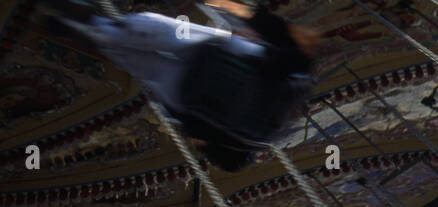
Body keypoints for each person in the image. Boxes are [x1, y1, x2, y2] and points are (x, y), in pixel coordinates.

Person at [43, 0, 318, 171]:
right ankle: (101, 35)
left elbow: (288, 44)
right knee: (143, 64)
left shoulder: (297, 83)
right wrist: (192, 131)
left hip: (219, 55)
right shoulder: (255, 135)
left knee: (159, 32)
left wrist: (236, 8)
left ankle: (107, 28)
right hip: (186, 93)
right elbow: (217, 151)